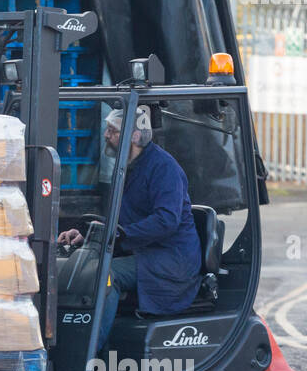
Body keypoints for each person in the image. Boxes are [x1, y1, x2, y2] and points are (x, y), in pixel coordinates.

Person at [58, 105, 201, 348]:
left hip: (170, 259)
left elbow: (166, 220)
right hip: (145, 250)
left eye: (112, 131)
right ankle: (67, 342)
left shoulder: (164, 168)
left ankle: (89, 353)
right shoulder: (129, 168)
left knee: (105, 274)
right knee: (77, 266)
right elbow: (122, 218)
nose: (106, 135)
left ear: (134, 136)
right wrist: (86, 234)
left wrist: (122, 234)